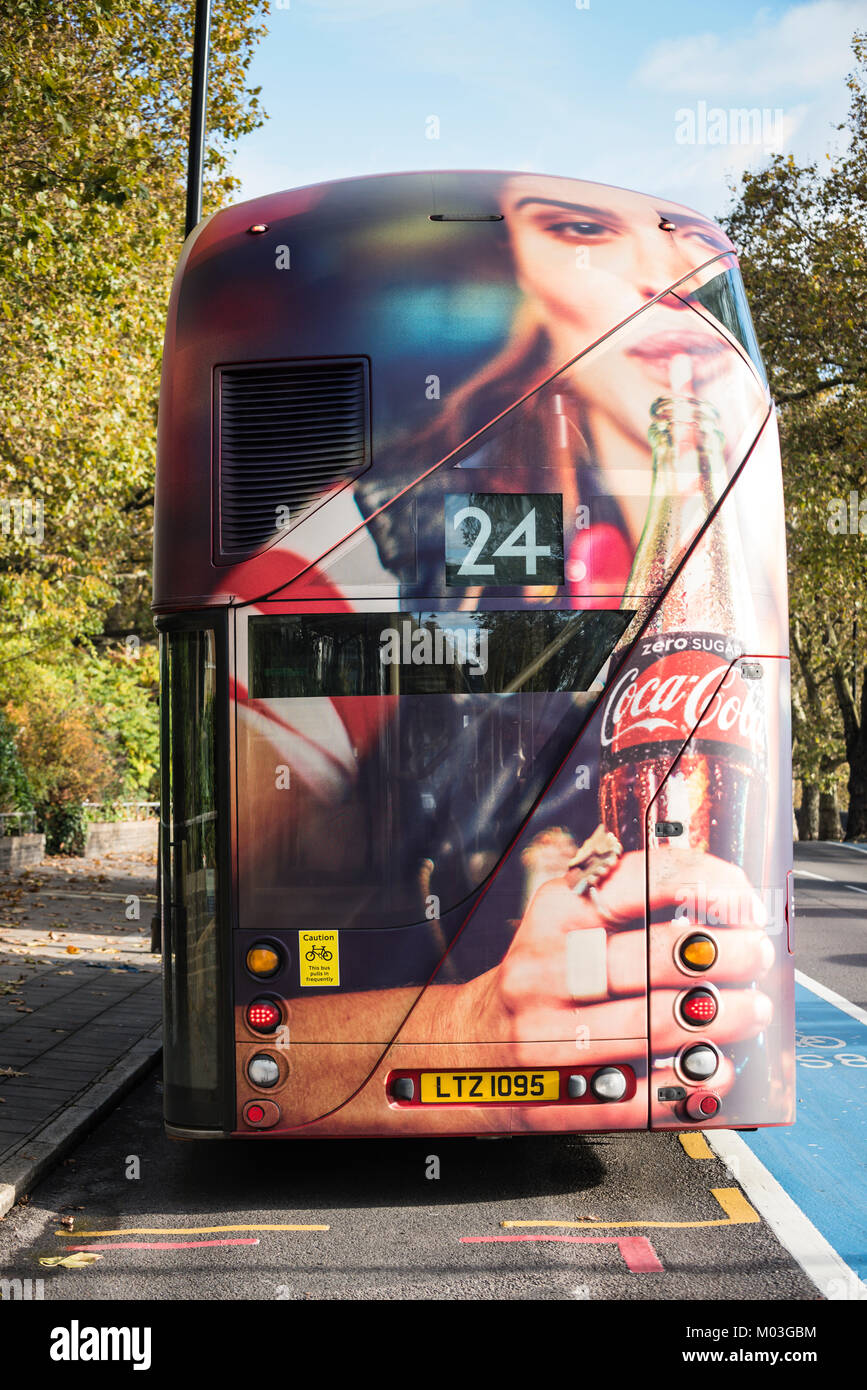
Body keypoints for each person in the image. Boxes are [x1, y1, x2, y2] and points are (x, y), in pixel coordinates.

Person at [230, 173, 778, 1128]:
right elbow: (227, 1026)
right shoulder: (357, 549)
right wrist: (470, 1031)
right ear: (525, 268)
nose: (661, 278)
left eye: (683, 256)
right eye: (576, 230)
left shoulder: (745, 571)